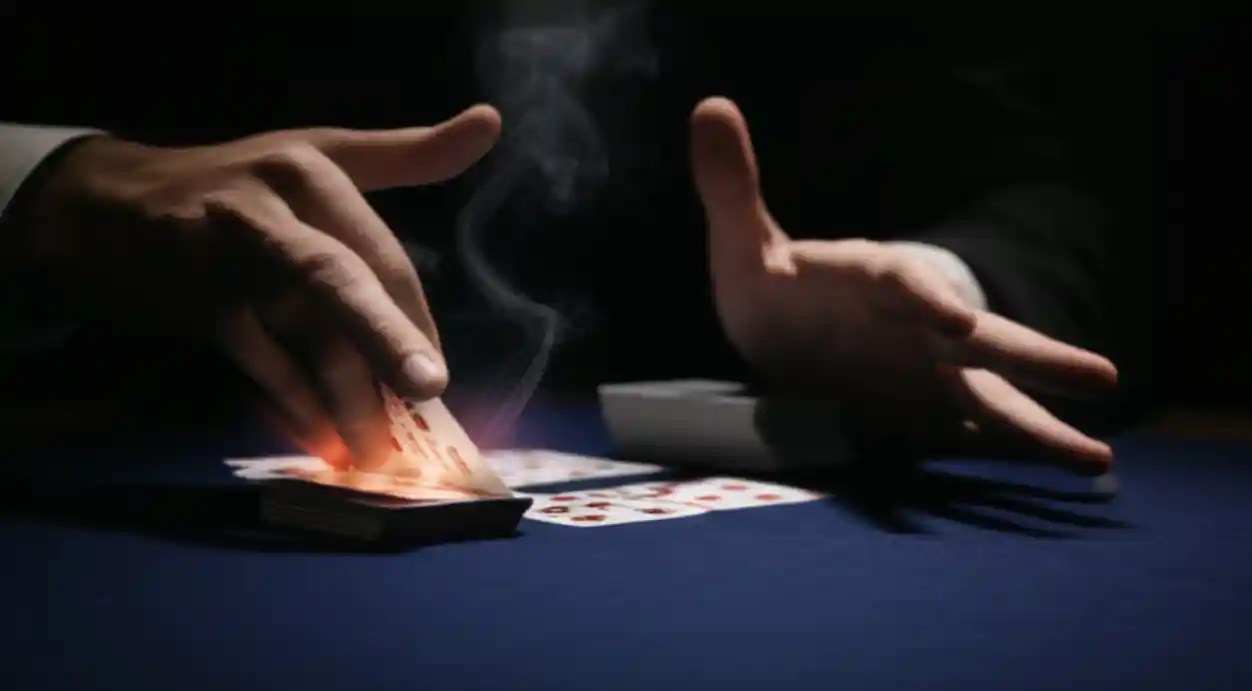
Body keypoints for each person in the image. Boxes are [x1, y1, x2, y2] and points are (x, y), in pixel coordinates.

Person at [0, 87, 1118, 475]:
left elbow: (1070, 167)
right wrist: (51, 184)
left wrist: (941, 290)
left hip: (784, 397)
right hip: (115, 409)